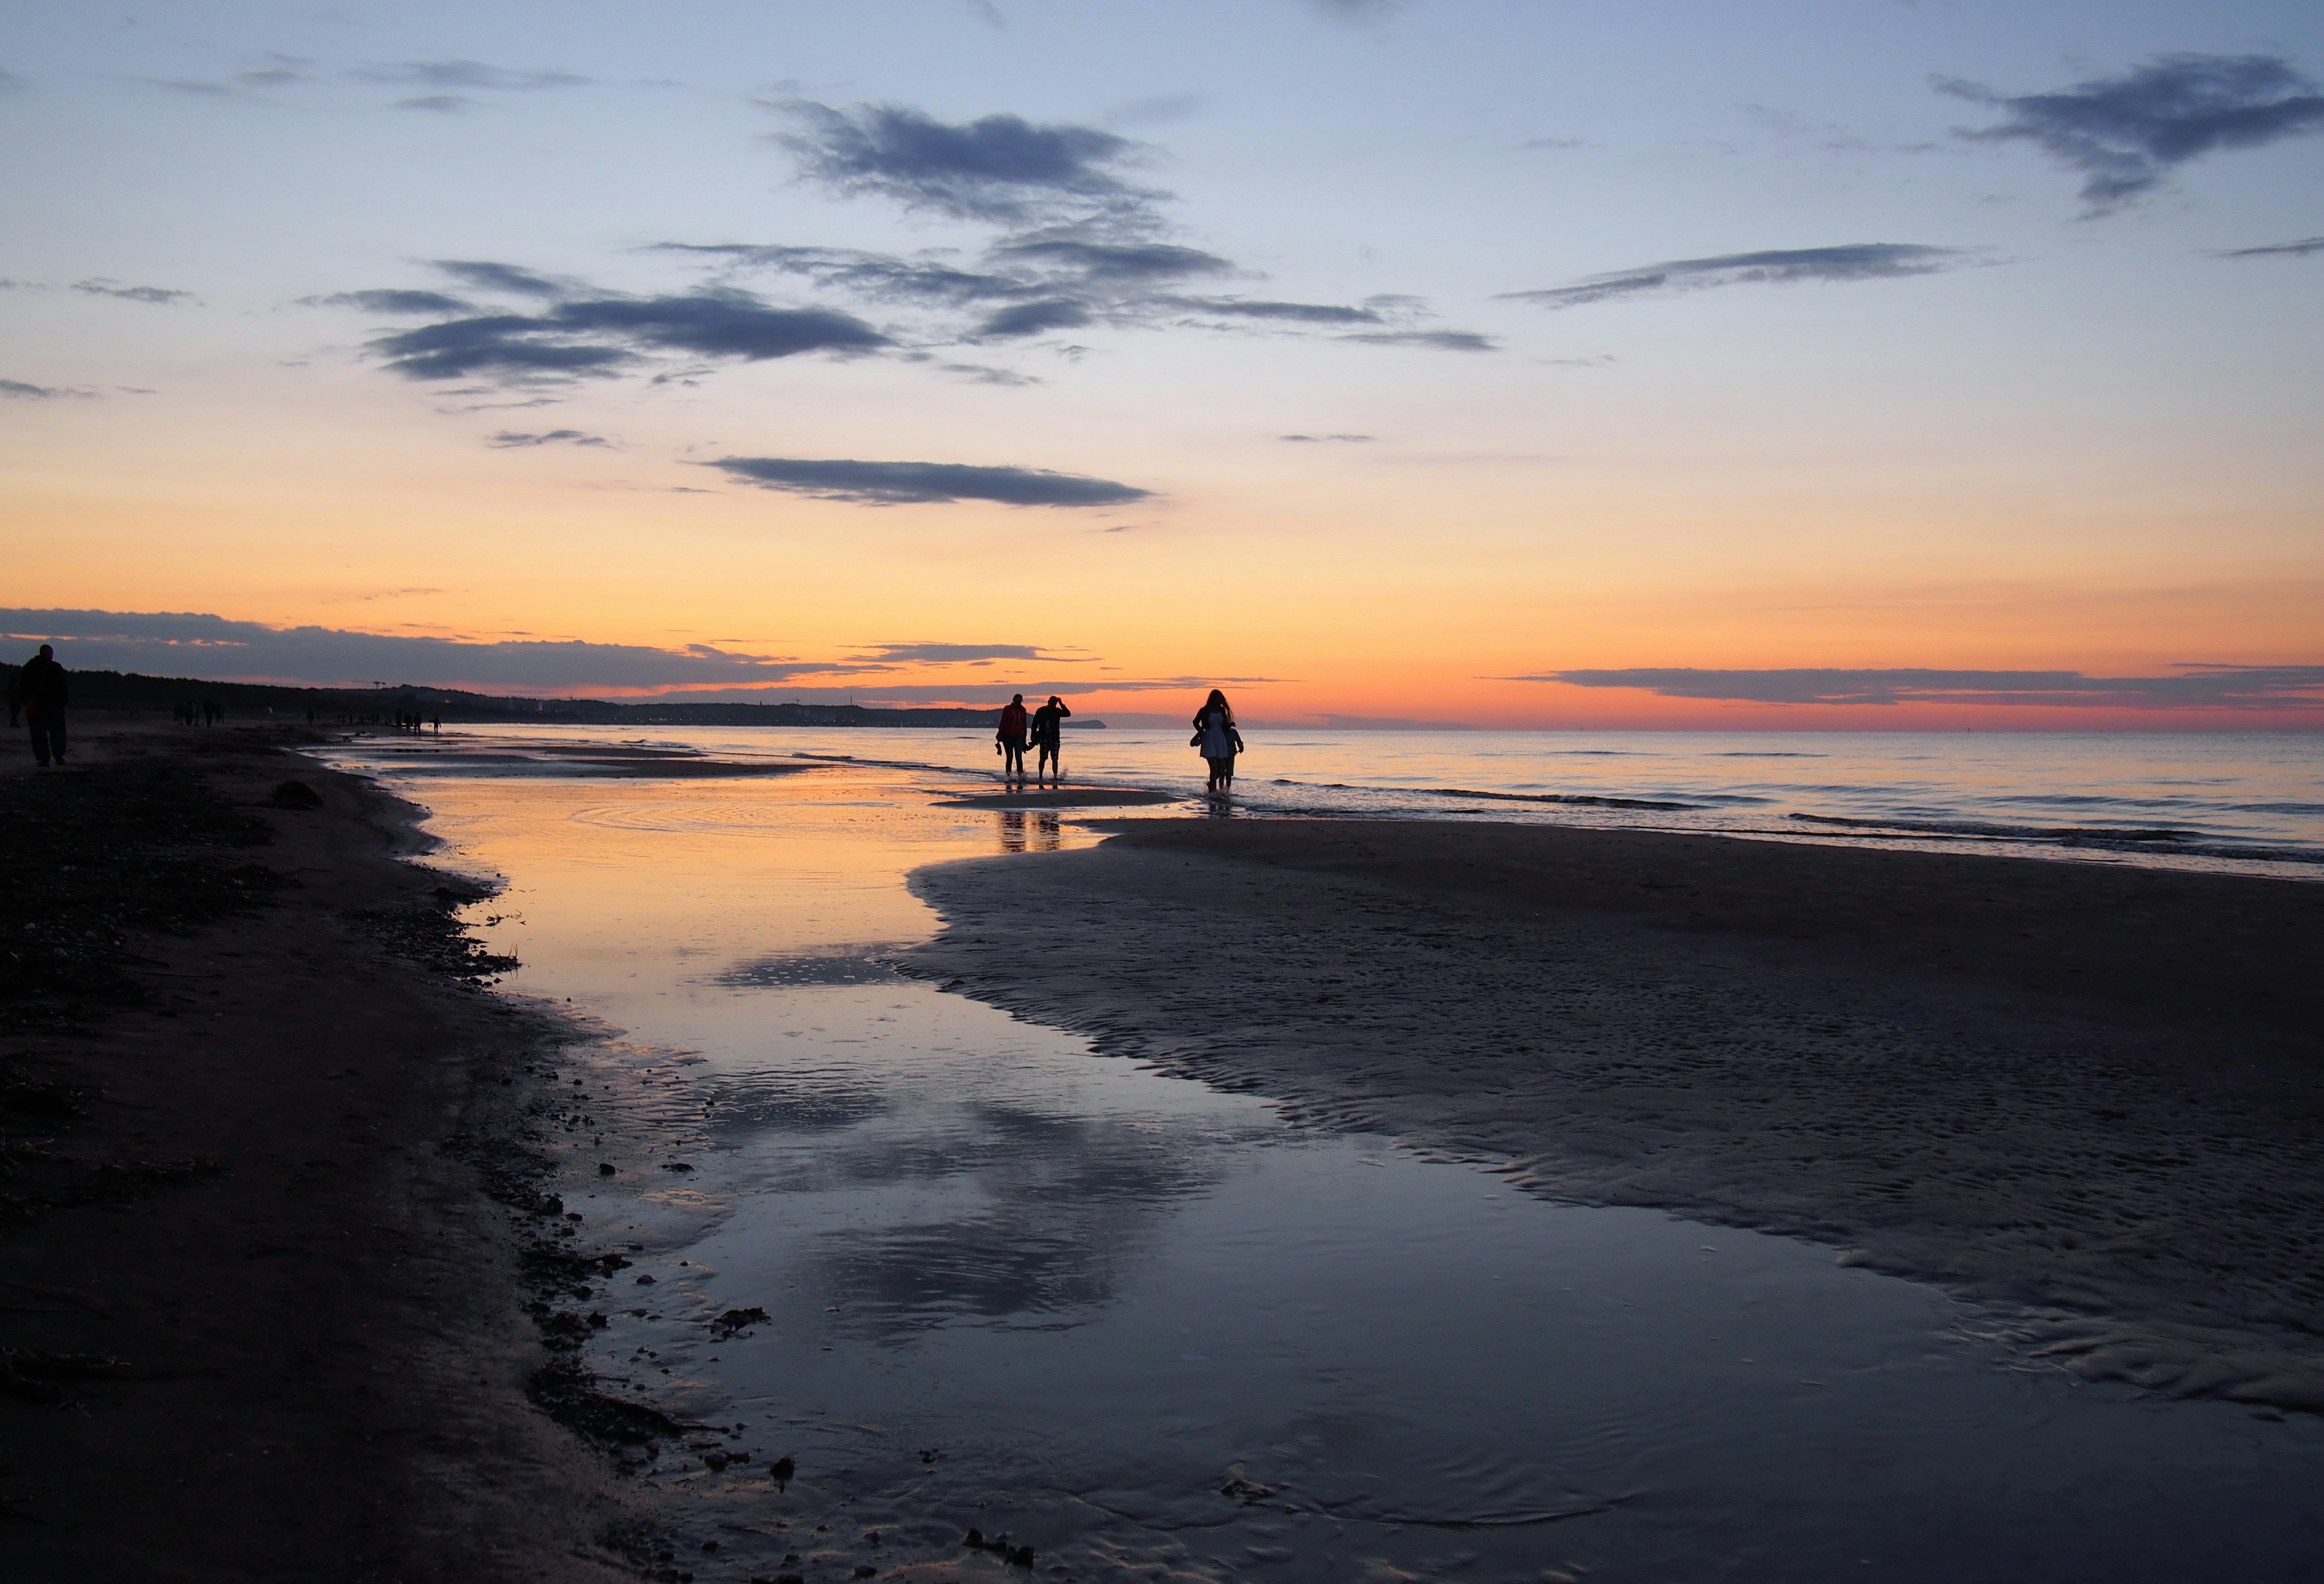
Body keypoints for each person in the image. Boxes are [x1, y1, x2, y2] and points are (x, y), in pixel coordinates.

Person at [19, 643, 68, 767]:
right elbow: (63, 688)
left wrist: (25, 701)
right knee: (57, 732)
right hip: (54, 706)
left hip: (36, 706)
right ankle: (59, 755)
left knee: (38, 734)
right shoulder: (56, 668)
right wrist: (63, 702)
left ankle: (43, 758)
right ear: (50, 654)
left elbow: (23, 686)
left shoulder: (29, 667)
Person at [1191, 687, 1242, 794]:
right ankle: (1213, 793)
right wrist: (1201, 731)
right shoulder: (1204, 711)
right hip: (1209, 738)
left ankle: (1212, 786)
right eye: (1219, 699)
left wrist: (1230, 725)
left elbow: (1224, 726)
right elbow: (1196, 722)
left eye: (1221, 699)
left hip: (1220, 738)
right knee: (1213, 767)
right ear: (1214, 699)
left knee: (1221, 770)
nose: (1221, 701)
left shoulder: (1222, 711)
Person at [1029, 695, 1071, 785]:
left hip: (1055, 738)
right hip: (1044, 738)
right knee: (1043, 758)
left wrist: (1061, 704)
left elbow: (1068, 714)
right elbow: (1035, 724)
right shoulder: (1041, 711)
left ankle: (1055, 776)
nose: (1053, 705)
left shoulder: (1057, 711)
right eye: (1053, 703)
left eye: (1055, 703)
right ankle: (1040, 776)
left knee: (1055, 759)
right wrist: (1033, 736)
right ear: (1049, 702)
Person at [996, 692, 1029, 780]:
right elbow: (1003, 721)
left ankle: (1020, 776)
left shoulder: (1023, 710)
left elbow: (1024, 725)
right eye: (1017, 701)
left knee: (1019, 757)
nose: (1019, 703)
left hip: (1019, 736)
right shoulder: (1007, 709)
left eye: (1020, 701)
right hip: (1008, 736)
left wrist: (1024, 740)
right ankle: (1008, 775)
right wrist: (1000, 734)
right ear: (1014, 700)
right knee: (1009, 757)